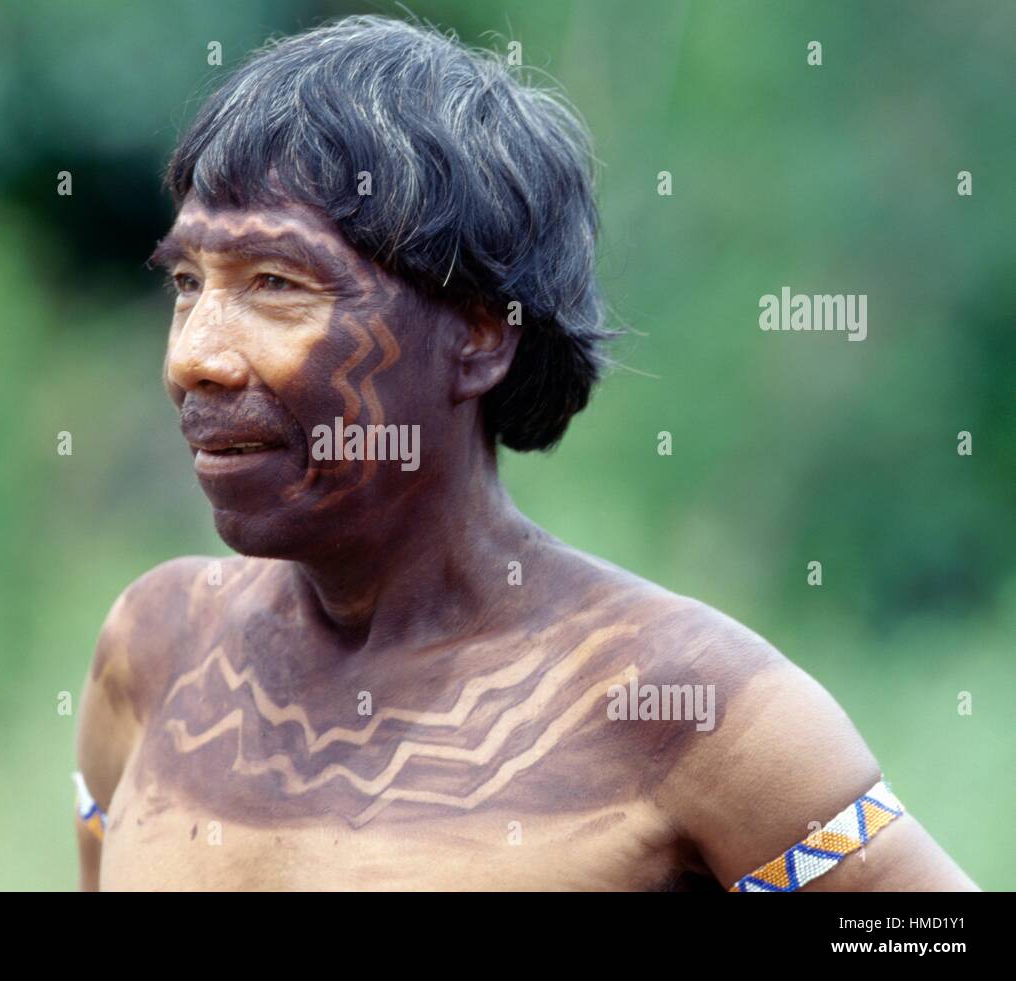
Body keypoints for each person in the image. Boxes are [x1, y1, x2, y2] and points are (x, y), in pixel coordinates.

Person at [74, 14, 976, 891]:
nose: (192, 355)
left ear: (477, 334)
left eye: (276, 282)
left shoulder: (685, 708)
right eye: (190, 283)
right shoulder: (155, 655)